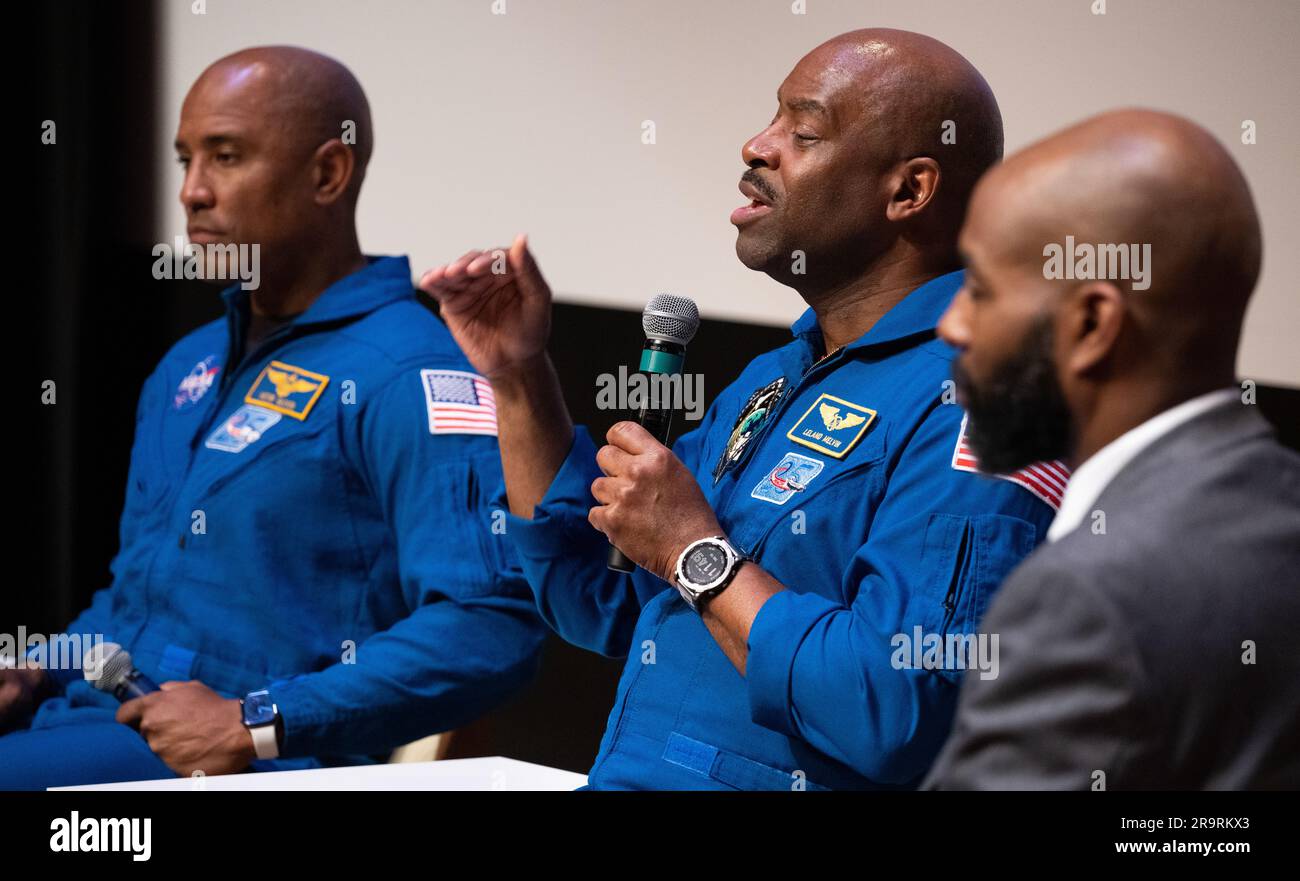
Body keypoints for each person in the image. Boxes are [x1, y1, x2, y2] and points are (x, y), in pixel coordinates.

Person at [420, 29, 1062, 790]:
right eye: (770, 121)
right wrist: (519, 376)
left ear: (908, 192)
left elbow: (893, 709)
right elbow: (601, 595)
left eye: (803, 131)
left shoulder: (980, 399)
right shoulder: (779, 373)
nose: (755, 147)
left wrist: (697, 552)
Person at [0, 46, 545, 789]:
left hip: (249, 760)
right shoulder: (186, 367)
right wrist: (38, 665)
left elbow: (490, 622)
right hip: (92, 718)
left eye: (225, 157)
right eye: (185, 159)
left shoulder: (412, 373)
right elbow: (133, 604)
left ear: (328, 173)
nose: (192, 191)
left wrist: (255, 720)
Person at [924, 108, 1300, 789]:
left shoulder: (1084, 597)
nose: (952, 324)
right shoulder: (1278, 504)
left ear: (1093, 323)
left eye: (978, 290)